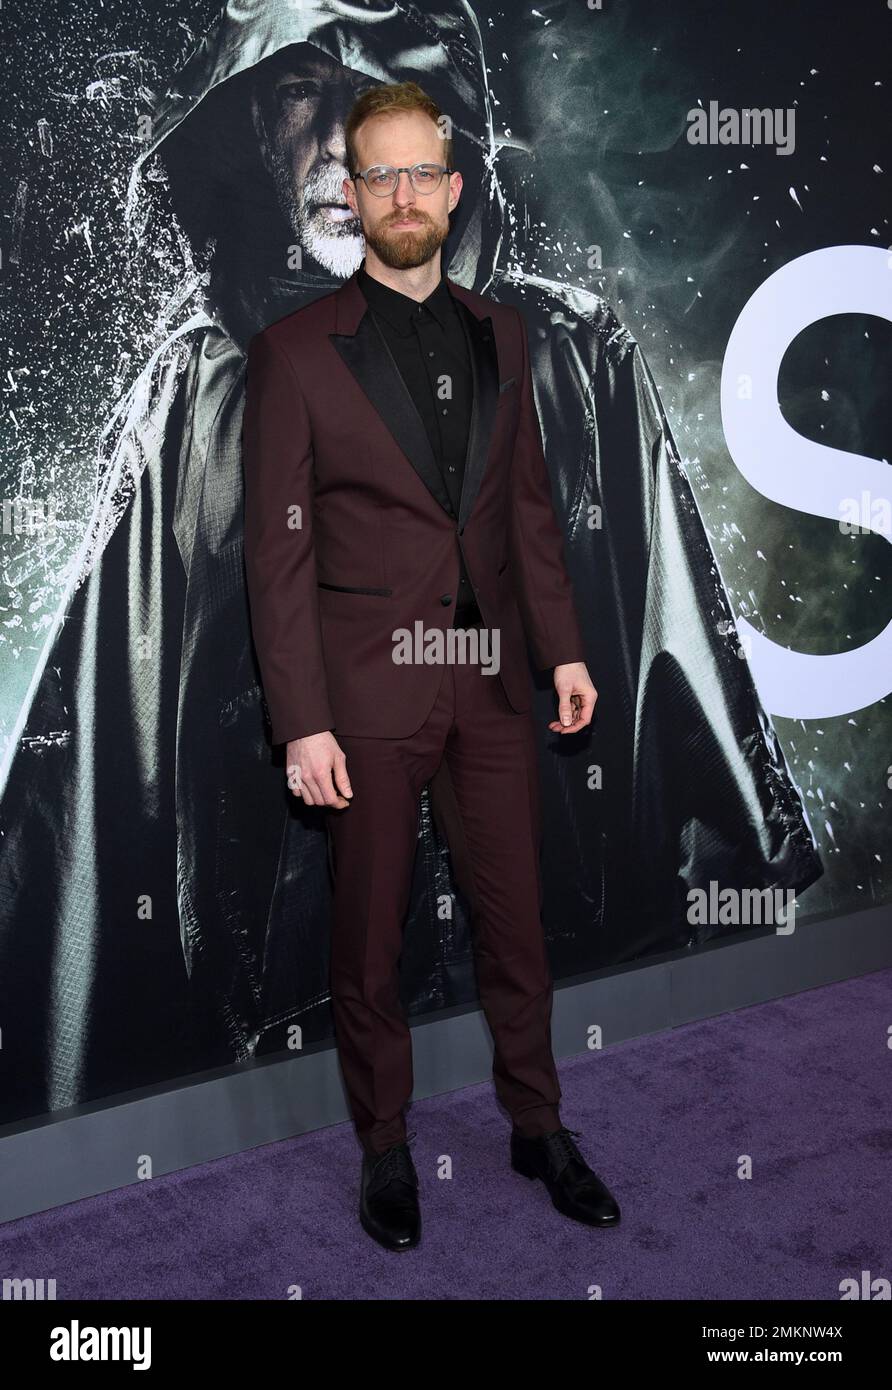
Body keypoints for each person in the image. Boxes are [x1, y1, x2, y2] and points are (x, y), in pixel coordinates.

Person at [242, 81, 622, 1251]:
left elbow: (526, 515)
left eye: (423, 175)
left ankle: (536, 1124)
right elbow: (275, 558)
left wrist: (559, 649)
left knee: (517, 926)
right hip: (363, 698)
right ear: (353, 197)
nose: (403, 197)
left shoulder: (503, 332)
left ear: (454, 190)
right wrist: (302, 722)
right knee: (370, 937)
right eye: (379, 177)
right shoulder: (296, 354)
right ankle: (386, 1149)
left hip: (492, 680)